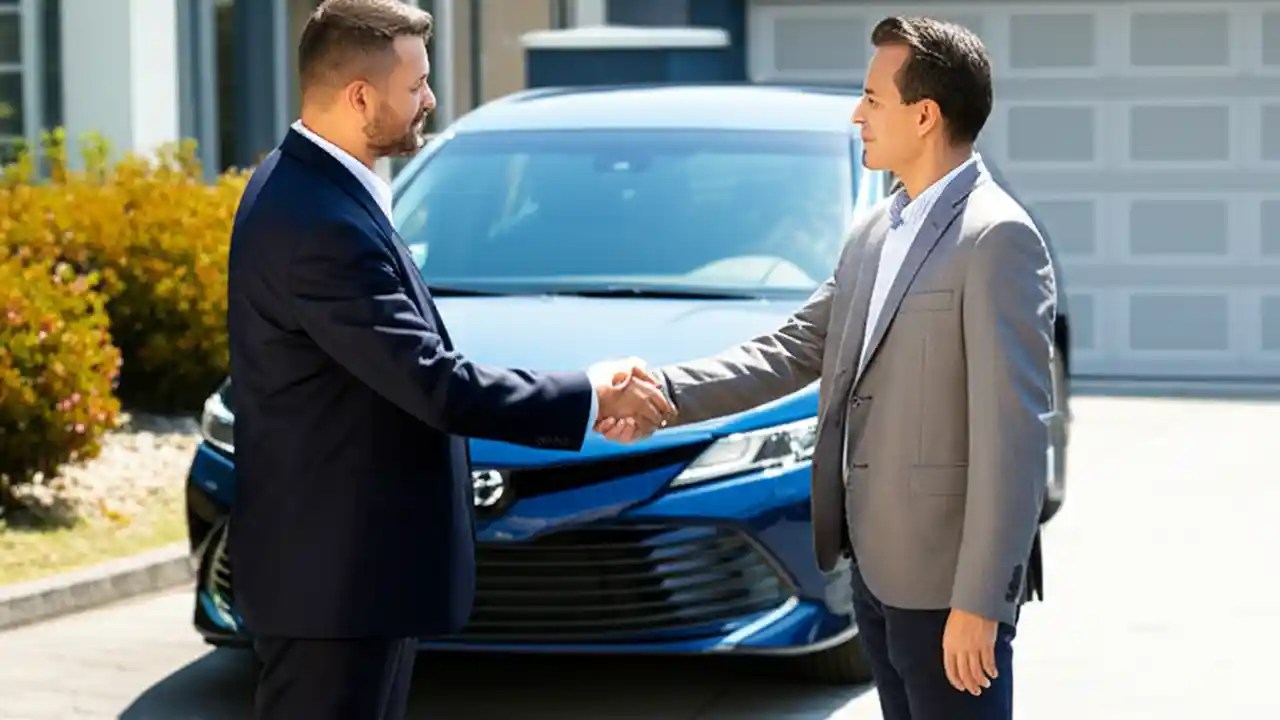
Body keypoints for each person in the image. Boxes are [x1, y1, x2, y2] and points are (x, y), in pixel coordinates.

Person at [598, 15, 1055, 720]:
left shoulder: (997, 238)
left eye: (873, 99)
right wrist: (664, 392)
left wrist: (980, 601)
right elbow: (793, 347)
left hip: (946, 587)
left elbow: (1016, 438)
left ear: (925, 115)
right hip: (873, 567)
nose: (857, 114)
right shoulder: (877, 230)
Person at [225, 1, 672, 718]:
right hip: (335, 588)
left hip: (347, 578)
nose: (430, 99)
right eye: (418, 85)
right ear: (361, 96)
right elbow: (432, 382)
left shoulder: (317, 188)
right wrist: (590, 394)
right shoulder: (317, 222)